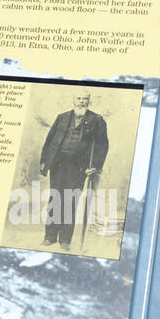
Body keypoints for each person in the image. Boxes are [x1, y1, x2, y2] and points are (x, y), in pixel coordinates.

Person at [38, 91, 109, 250]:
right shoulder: (62, 117)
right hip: (58, 163)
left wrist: (95, 166)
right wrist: (44, 161)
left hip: (79, 166)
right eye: (79, 98)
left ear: (89, 101)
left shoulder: (97, 120)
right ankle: (50, 236)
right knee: (55, 198)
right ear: (73, 100)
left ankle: (65, 240)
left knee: (70, 200)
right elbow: (49, 140)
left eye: (85, 99)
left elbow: (102, 145)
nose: (81, 102)